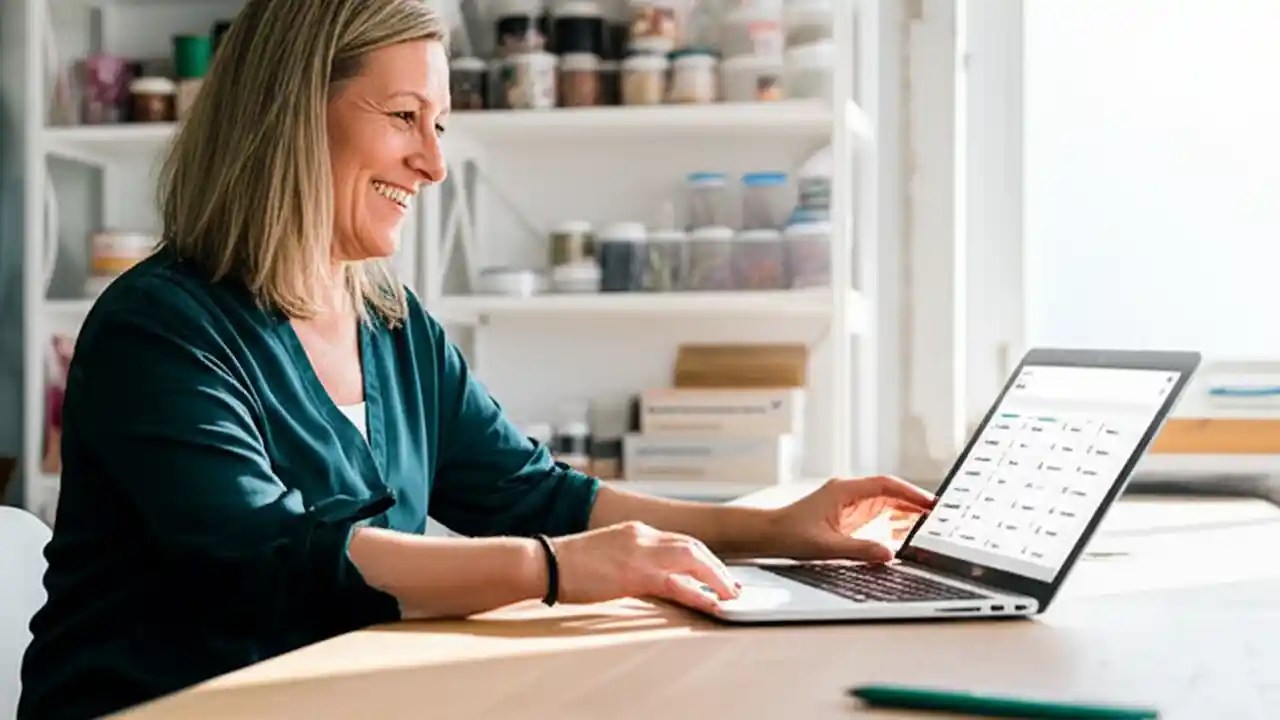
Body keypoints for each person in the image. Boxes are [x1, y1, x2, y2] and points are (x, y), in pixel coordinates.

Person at [17, 1, 935, 718]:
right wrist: (555, 568)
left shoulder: (389, 323)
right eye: (405, 117)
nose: (432, 164)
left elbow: (533, 490)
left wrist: (776, 528)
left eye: (441, 125)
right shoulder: (161, 328)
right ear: (293, 115)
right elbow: (273, 562)